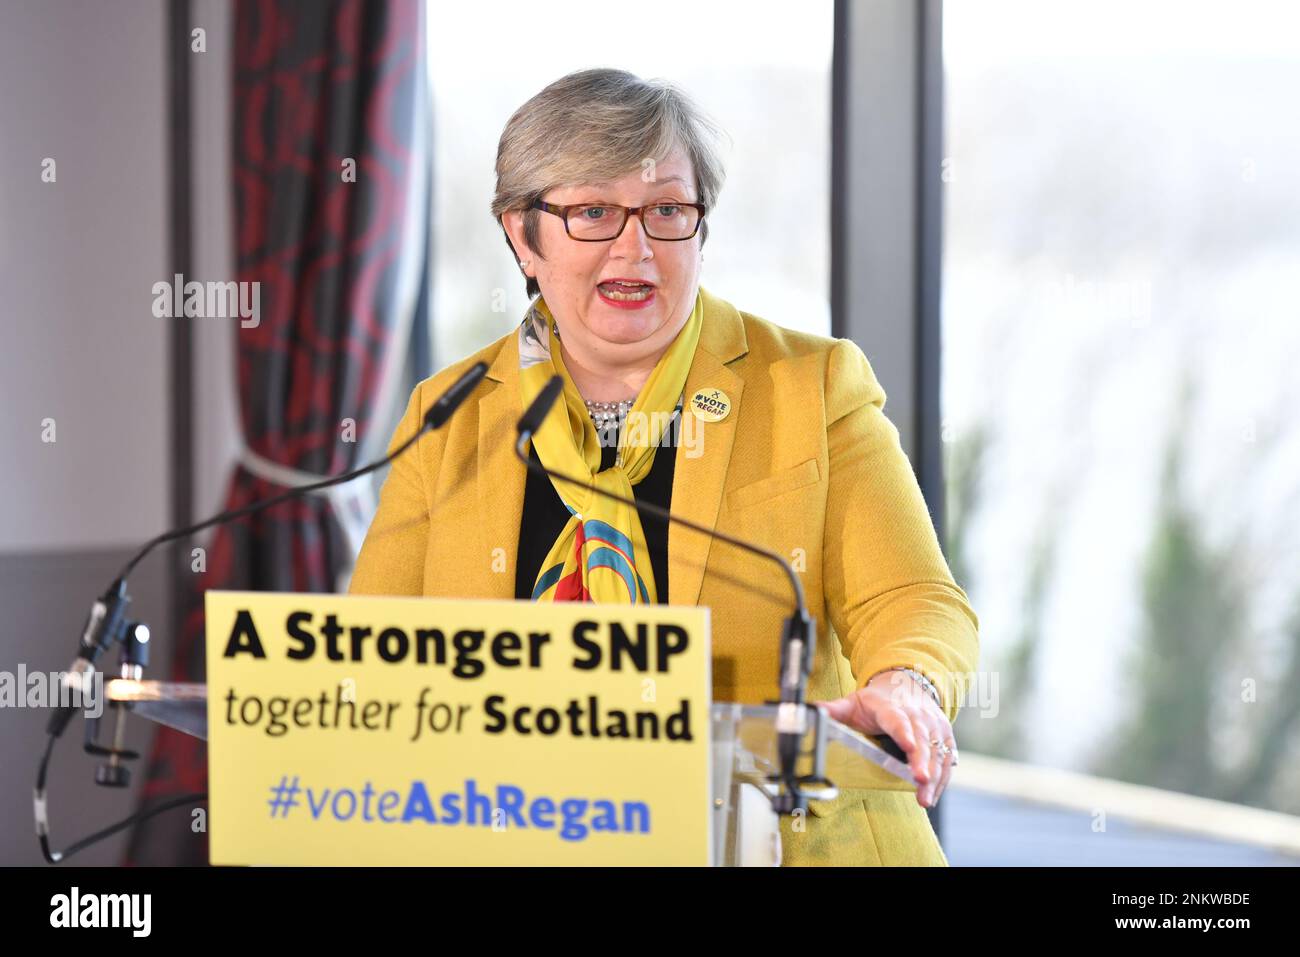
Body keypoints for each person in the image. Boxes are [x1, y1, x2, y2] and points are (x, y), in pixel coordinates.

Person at [349, 67, 979, 865]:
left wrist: (908, 684)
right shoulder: (452, 416)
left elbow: (915, 597)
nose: (635, 246)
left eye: (667, 210)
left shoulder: (809, 387)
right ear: (522, 235)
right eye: (593, 213)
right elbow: (370, 665)